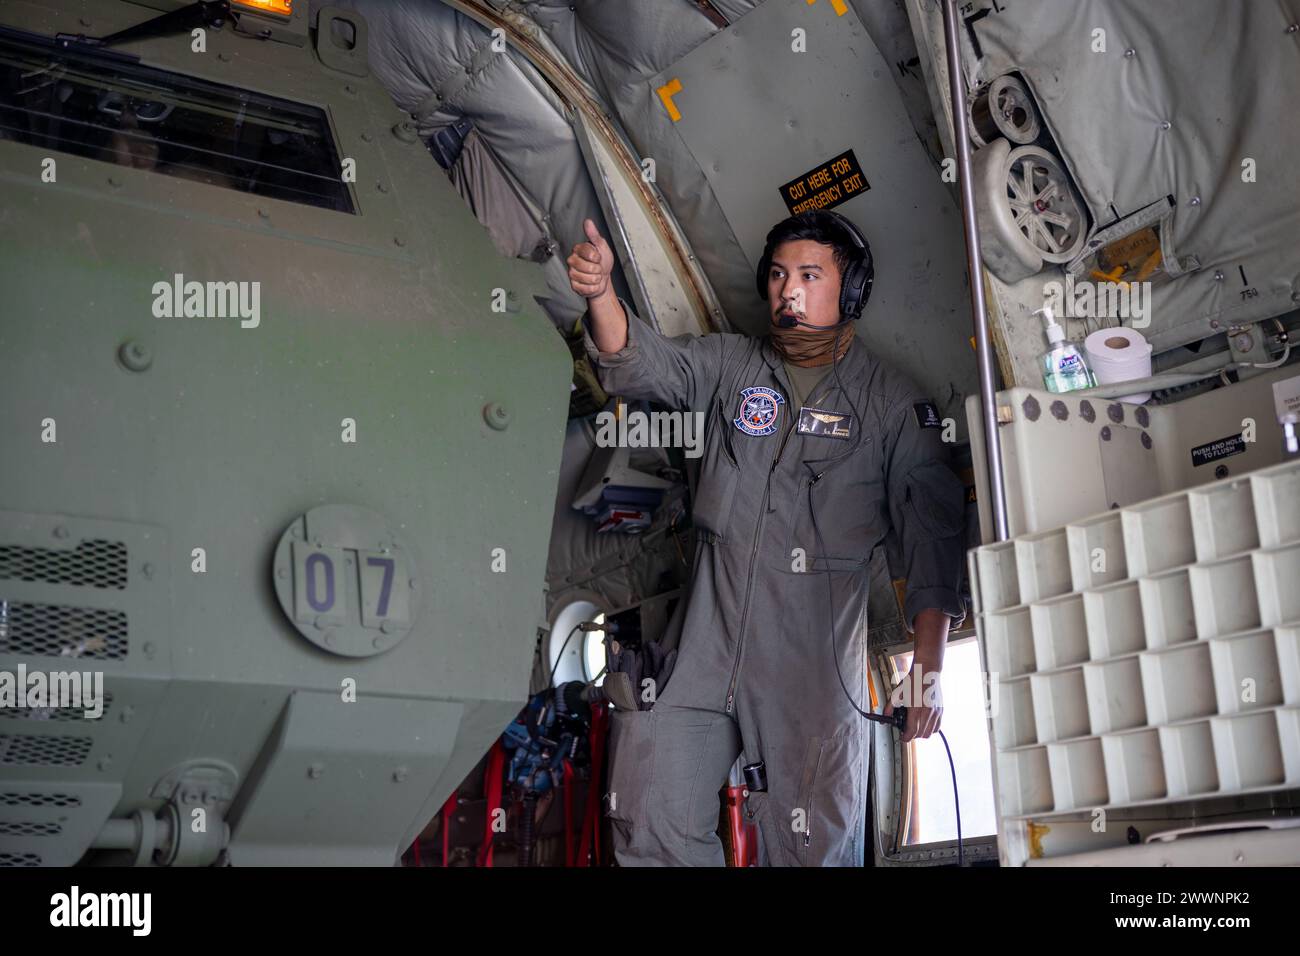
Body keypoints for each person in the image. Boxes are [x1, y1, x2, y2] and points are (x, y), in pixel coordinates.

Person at [568, 210, 966, 866]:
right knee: (648, 813)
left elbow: (933, 542)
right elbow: (638, 363)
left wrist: (927, 669)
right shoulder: (731, 366)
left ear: (852, 292)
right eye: (779, 275)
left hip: (810, 661)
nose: (789, 290)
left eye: (810, 275)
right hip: (705, 636)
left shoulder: (894, 405)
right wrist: (601, 294)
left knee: (811, 844)